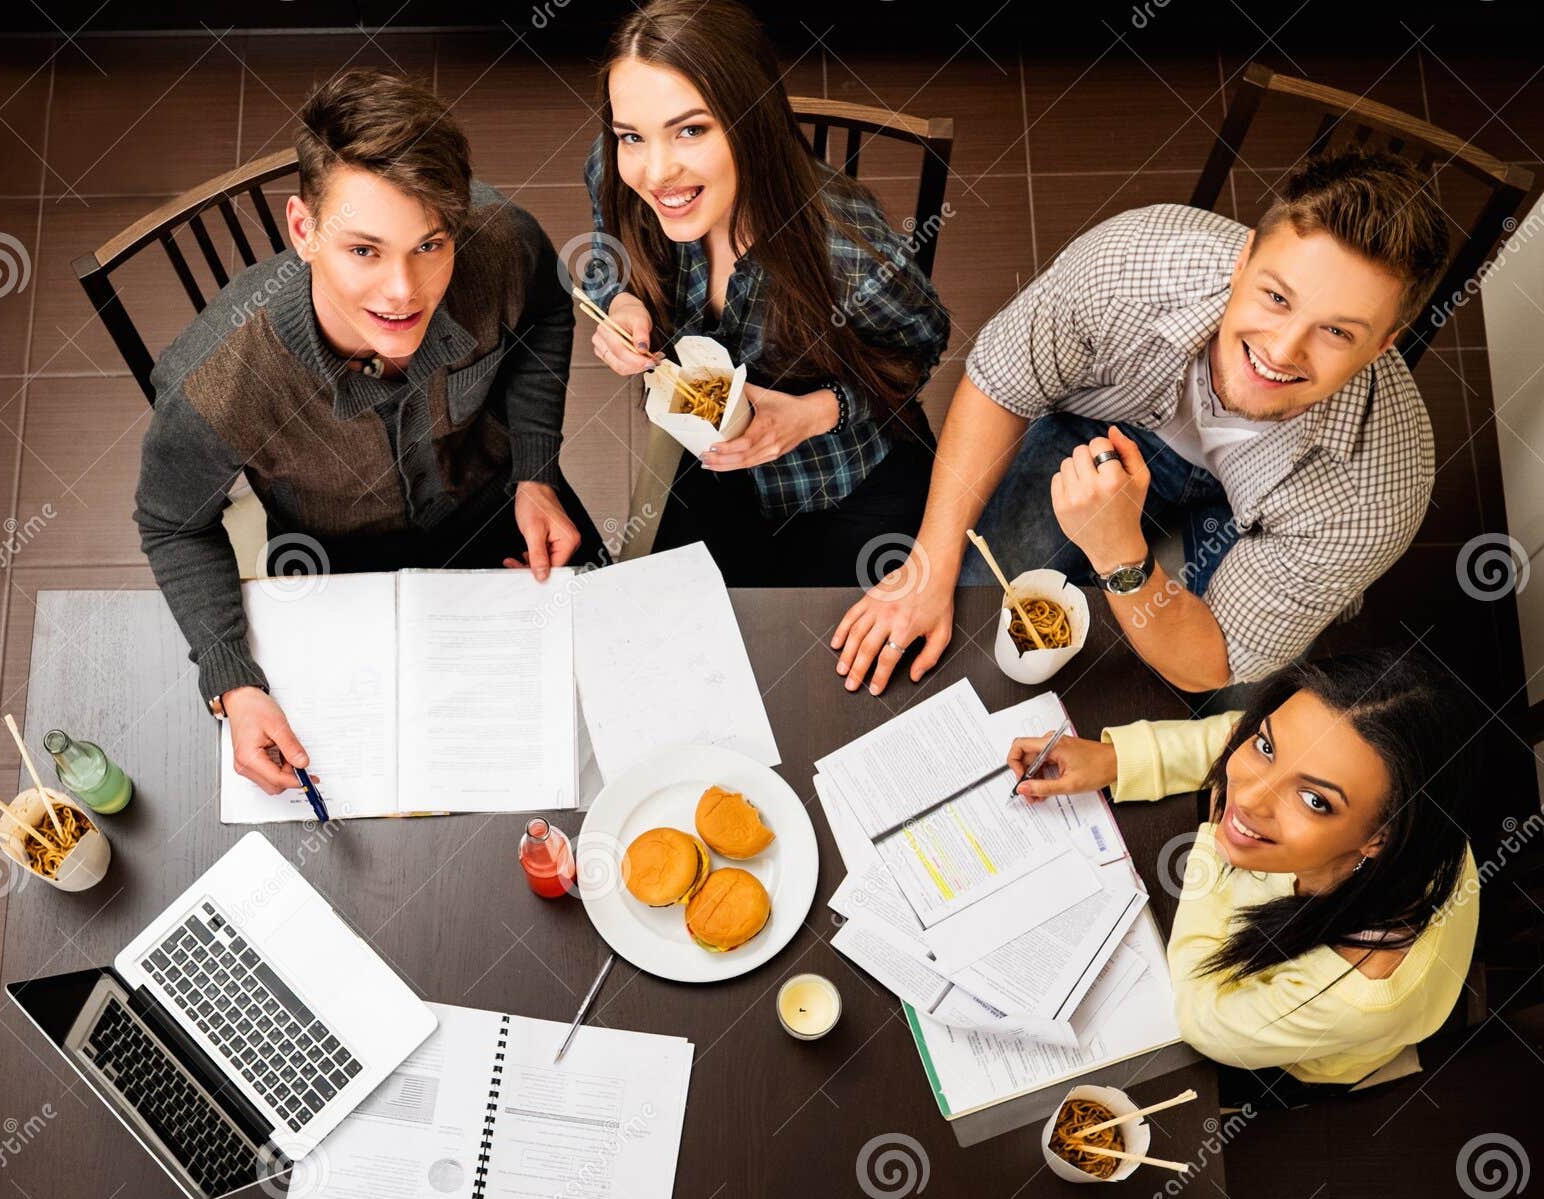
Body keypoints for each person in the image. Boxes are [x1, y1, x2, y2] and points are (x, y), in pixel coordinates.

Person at [135, 69, 608, 797]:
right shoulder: (220, 379)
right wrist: (230, 676)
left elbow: (548, 315)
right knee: (368, 785)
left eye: (429, 246)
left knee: (601, 723)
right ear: (303, 229)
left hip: (503, 505)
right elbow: (171, 525)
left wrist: (537, 470)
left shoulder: (501, 243)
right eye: (364, 250)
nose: (403, 292)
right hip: (333, 560)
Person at [834, 150, 1450, 696]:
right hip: (1101, 433)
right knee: (975, 604)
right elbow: (1000, 384)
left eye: (1337, 331)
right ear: (1241, 264)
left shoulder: (1379, 493)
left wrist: (1119, 551)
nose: (1282, 351)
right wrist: (927, 566)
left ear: (1381, 346)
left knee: (1224, 702)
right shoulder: (1128, 264)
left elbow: (1213, 662)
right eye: (1276, 297)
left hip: (1263, 522)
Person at [580, 0, 950, 586]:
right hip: (713, 462)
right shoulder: (613, 170)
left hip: (845, 473)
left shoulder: (850, 252)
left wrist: (812, 413)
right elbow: (609, 243)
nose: (654, 174)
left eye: (691, 130)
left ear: (752, 121)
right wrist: (625, 298)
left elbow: (923, 348)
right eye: (632, 135)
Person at [1005, 649, 1478, 1091]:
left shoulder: (1355, 993)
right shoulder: (1408, 812)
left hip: (1297, 1055)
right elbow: (1245, 730)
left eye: (1315, 800)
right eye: (1267, 750)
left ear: (1380, 837)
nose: (1249, 798)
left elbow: (1200, 1016)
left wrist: (1216, 833)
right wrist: (1117, 760)